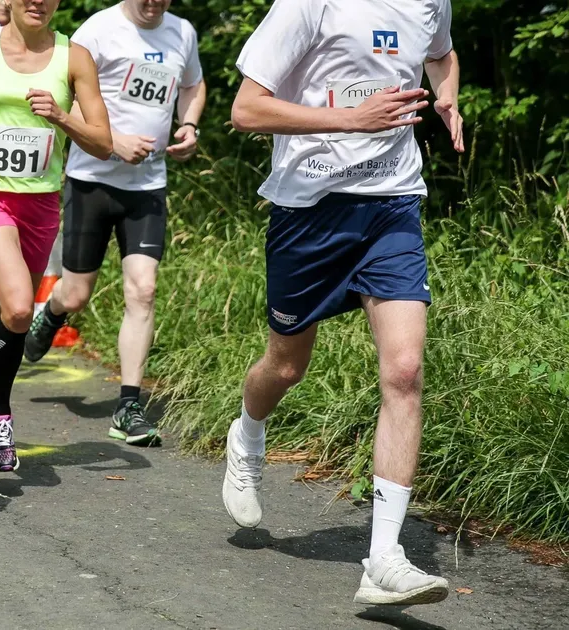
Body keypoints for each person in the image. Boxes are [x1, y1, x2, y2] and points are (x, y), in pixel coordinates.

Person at [224, 0, 463, 606]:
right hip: (310, 213)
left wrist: (448, 95)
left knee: (405, 371)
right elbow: (246, 110)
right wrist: (351, 120)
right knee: (286, 366)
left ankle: (383, 558)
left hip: (392, 205)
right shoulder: (311, 4)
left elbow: (440, 52)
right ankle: (248, 434)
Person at [23, 0, 204, 447]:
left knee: (143, 288)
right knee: (76, 292)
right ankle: (51, 312)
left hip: (147, 185)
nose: (152, 4)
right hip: (92, 181)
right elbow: (62, 97)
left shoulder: (182, 32)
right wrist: (112, 140)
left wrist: (190, 125)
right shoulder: (99, 29)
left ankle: (128, 405)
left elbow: (193, 86)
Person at [0, 0, 111, 472]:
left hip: (39, 203)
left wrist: (62, 117)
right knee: (20, 304)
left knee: (12, 318)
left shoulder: (73, 57)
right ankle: (1, 415)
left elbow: (103, 142)